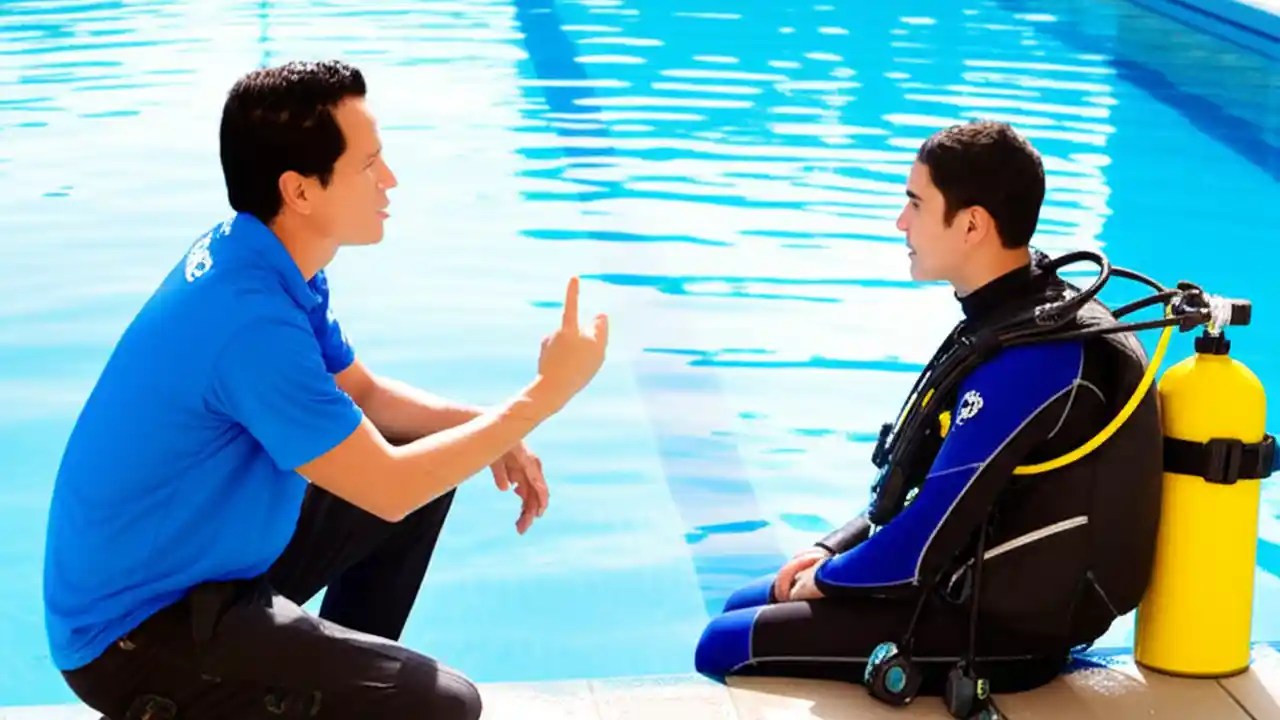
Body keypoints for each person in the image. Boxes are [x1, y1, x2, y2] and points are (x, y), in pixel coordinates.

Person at [42, 59, 609, 720]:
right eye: (367, 165)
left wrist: (487, 428)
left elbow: (364, 395)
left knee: (425, 450)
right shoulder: (250, 321)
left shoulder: (263, 255)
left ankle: (332, 695)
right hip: (138, 636)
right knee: (446, 706)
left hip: (205, 567)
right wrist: (544, 396)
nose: (389, 179)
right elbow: (388, 488)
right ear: (300, 191)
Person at [694, 121, 1164, 710]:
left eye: (916, 204)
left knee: (725, 642)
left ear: (971, 225)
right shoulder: (1017, 316)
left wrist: (829, 579)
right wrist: (832, 548)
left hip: (1007, 632)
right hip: (965, 582)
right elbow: (918, 485)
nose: (901, 222)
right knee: (748, 602)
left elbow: (918, 548)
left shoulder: (1036, 359)